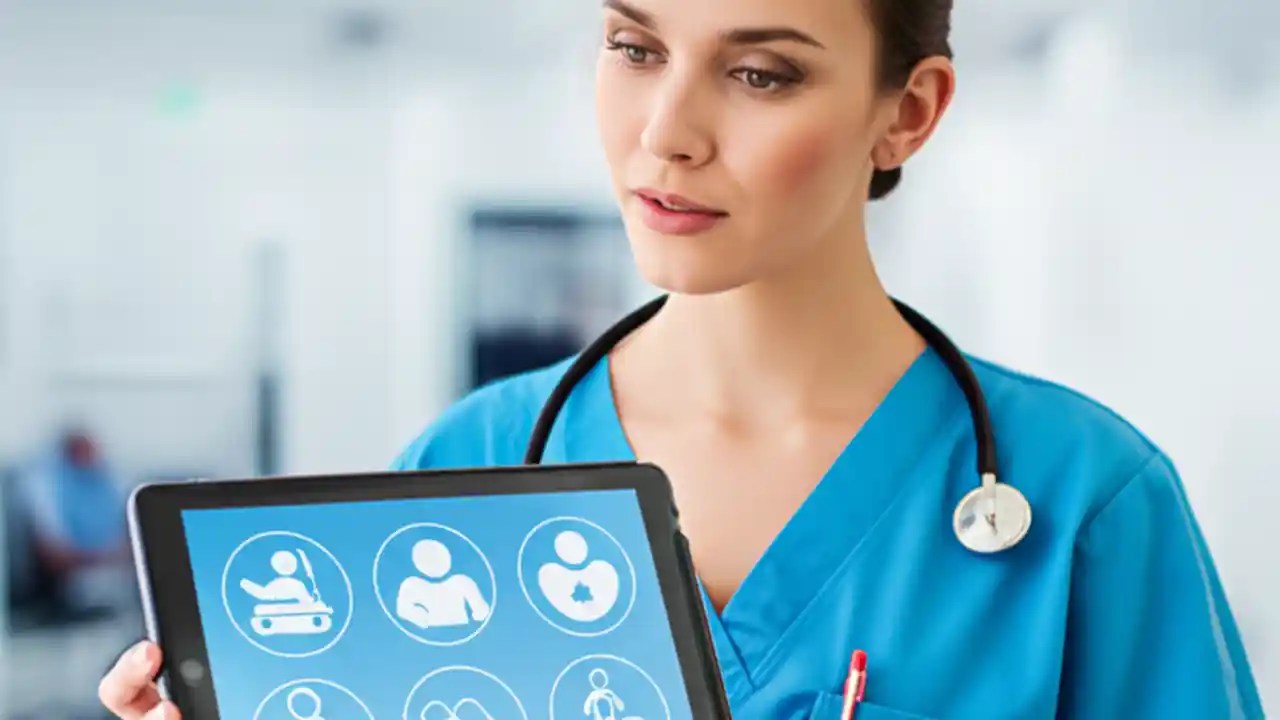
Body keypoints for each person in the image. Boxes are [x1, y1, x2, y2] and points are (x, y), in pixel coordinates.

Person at [100, 0, 1264, 716]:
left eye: (759, 73)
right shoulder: (473, 461)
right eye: (632, 45)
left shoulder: (1081, 501)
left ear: (904, 114)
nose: (664, 133)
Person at [17, 428, 131, 620]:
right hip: (69, 582)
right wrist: (96, 558)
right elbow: (53, 553)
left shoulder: (108, 483)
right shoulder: (46, 487)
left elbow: (128, 542)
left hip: (114, 573)